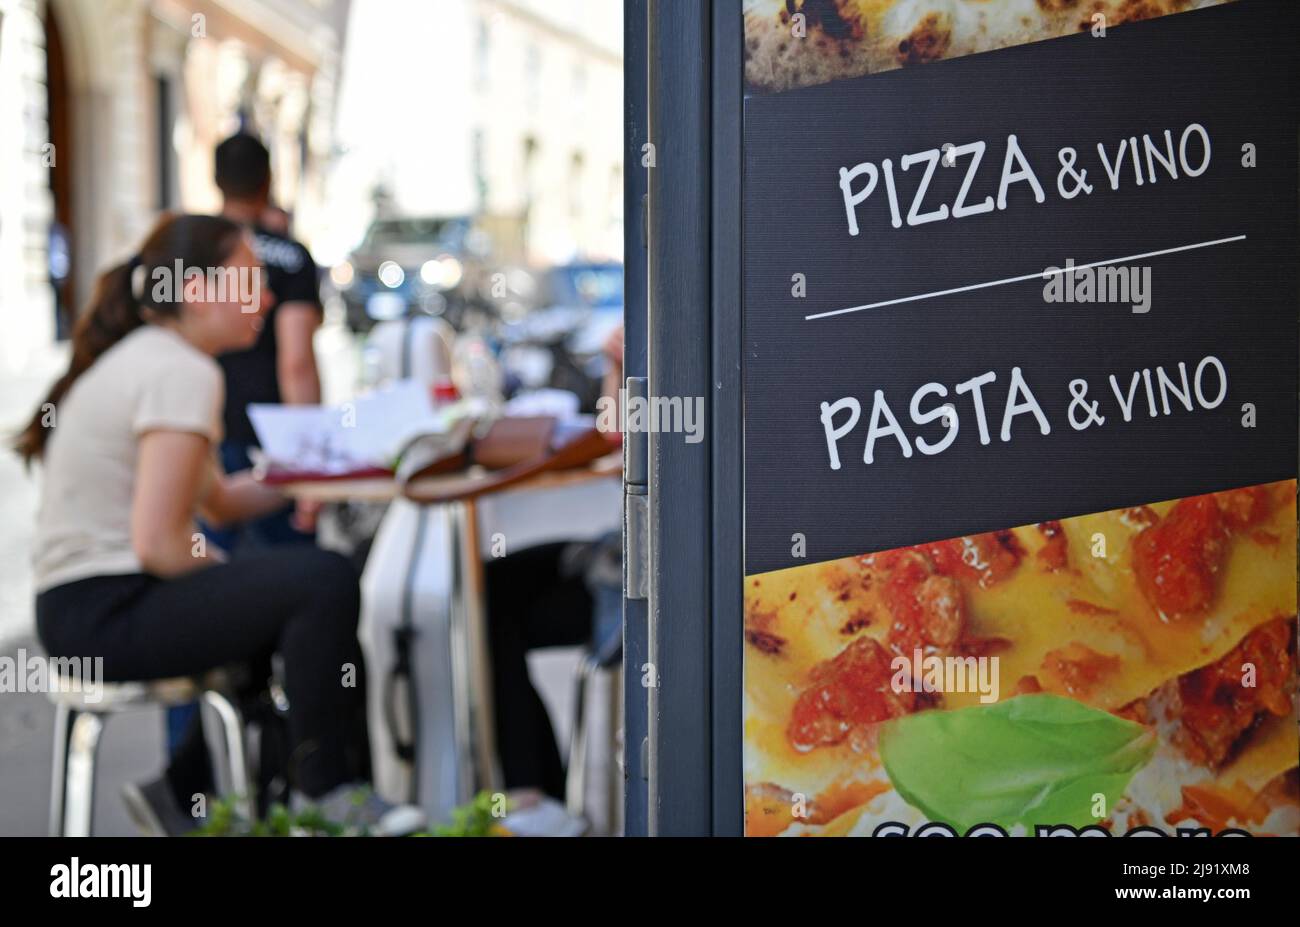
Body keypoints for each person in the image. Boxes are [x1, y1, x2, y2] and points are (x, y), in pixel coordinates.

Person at [17, 214, 419, 836]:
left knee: (294, 603)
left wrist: (316, 475)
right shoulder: (181, 374)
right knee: (324, 580)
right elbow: (161, 544)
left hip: (81, 610)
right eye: (251, 281)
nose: (264, 298)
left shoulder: (158, 360)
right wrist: (233, 576)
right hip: (105, 611)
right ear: (200, 291)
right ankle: (327, 795)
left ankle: (186, 790)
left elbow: (221, 504)